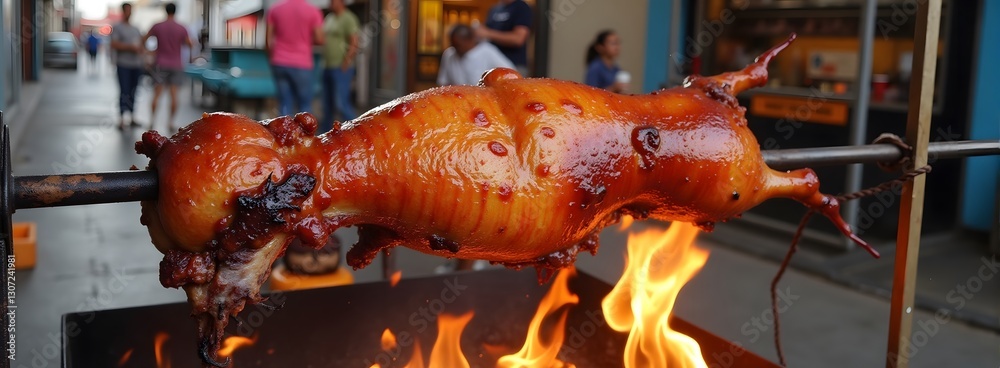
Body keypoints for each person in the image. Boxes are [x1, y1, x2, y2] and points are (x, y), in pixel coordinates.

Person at [266, 0, 324, 117]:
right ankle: (304, 135)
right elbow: (319, 39)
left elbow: (268, 41)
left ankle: (283, 134)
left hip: (279, 62)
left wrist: (272, 58)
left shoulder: (275, 9)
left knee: (284, 103)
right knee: (304, 105)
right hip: (302, 63)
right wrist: (305, 39)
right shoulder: (313, 10)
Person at [142, 3, 193, 131]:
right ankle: (170, 122)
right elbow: (190, 44)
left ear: (165, 11)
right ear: (176, 11)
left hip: (161, 64)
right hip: (176, 64)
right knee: (174, 95)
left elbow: (144, 39)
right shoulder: (182, 28)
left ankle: (152, 122)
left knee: (156, 94)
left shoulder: (158, 25)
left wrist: (149, 52)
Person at [320, 0, 360, 133]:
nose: (330, 3)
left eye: (333, 1)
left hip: (341, 68)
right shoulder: (329, 18)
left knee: (341, 103)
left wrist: (346, 62)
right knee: (327, 106)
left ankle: (356, 132)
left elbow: (354, 42)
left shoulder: (349, 18)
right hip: (327, 66)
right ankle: (324, 137)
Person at [437, 24, 513, 86]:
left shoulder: (487, 51)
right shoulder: (449, 54)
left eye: (457, 45)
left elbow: (510, 73)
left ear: (469, 40)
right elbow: (443, 82)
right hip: (456, 99)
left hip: (482, 99)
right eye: (452, 44)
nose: (454, 48)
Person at [109, 2, 144, 130]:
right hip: (123, 64)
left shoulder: (136, 28)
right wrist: (130, 47)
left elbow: (141, 45)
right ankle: (122, 118)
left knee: (134, 90)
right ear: (123, 11)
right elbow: (114, 44)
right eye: (127, 10)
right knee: (124, 90)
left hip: (136, 64)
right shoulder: (118, 27)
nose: (129, 13)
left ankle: (133, 116)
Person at [476, 0, 532, 75]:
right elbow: (484, 32)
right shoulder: (495, 9)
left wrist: (488, 33)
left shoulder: (521, 7)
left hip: (514, 66)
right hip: (493, 66)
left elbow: (518, 39)